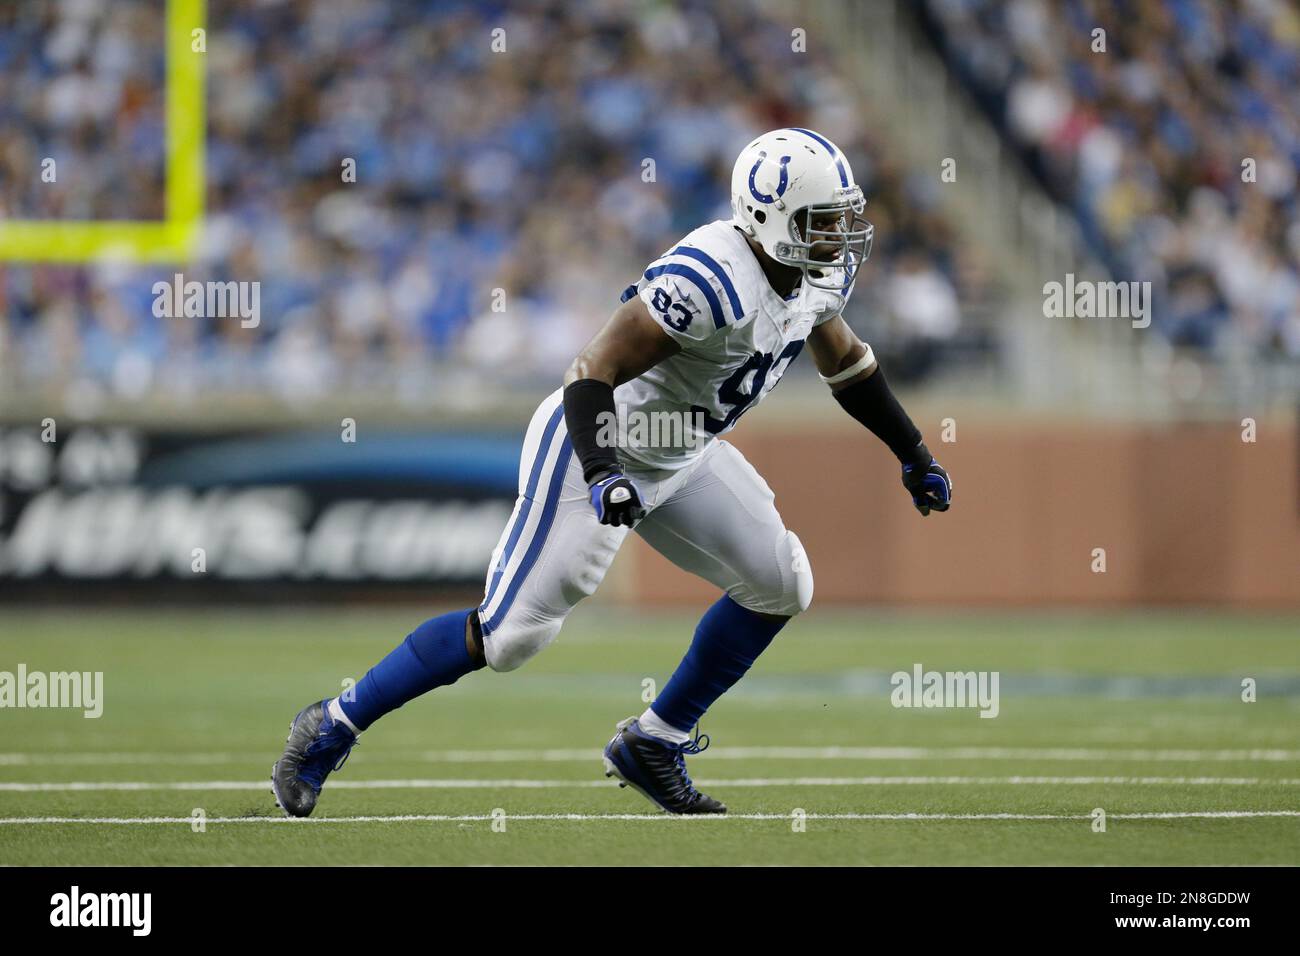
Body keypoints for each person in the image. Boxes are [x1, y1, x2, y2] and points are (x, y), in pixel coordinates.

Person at [272, 128, 953, 817]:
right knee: (512, 637)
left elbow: (844, 358)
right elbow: (591, 369)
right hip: (599, 442)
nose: (840, 234)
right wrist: (601, 471)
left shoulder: (817, 273)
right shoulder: (711, 279)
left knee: (780, 583)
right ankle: (331, 724)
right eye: (821, 219)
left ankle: (653, 742)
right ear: (768, 217)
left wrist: (913, 450)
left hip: (686, 451)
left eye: (843, 215)